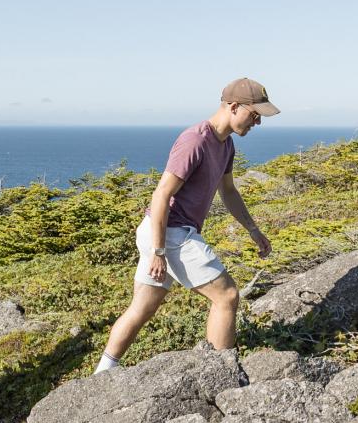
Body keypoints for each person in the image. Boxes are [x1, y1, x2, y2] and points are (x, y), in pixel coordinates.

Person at [93, 78, 278, 373]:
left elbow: (228, 191)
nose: (258, 122)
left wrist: (253, 230)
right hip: (170, 232)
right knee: (227, 295)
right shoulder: (195, 140)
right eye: (254, 114)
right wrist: (158, 251)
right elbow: (161, 194)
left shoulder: (226, 144)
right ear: (233, 107)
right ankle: (221, 374)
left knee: (143, 307)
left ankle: (101, 374)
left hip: (164, 232)